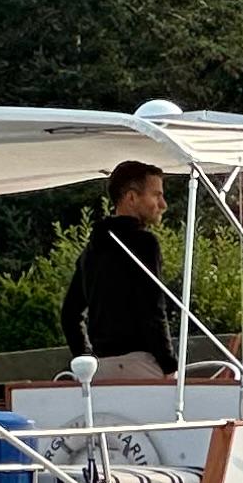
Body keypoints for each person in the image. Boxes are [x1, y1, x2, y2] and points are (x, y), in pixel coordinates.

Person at [59, 160, 179, 381]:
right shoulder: (144, 243)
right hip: (141, 365)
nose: (163, 204)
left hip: (101, 369)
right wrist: (169, 365)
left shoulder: (91, 250)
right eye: (156, 195)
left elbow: (69, 315)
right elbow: (152, 310)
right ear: (131, 198)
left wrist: (86, 359)